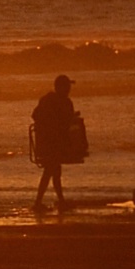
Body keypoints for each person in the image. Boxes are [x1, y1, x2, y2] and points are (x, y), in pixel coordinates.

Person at [30, 73, 84, 215]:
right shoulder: (64, 102)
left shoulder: (46, 99)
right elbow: (66, 121)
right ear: (60, 87)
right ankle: (44, 203)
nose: (69, 89)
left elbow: (35, 115)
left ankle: (54, 201)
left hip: (46, 142)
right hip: (55, 143)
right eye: (67, 86)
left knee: (52, 172)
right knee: (52, 172)